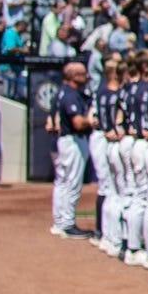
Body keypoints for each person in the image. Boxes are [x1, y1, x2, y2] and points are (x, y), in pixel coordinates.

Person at [49, 59, 93, 236]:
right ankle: (67, 224)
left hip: (64, 141)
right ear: (74, 76)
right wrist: (90, 121)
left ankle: (60, 222)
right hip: (72, 141)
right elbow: (77, 122)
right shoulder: (70, 94)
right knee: (72, 183)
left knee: (61, 182)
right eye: (82, 74)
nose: (86, 76)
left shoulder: (61, 92)